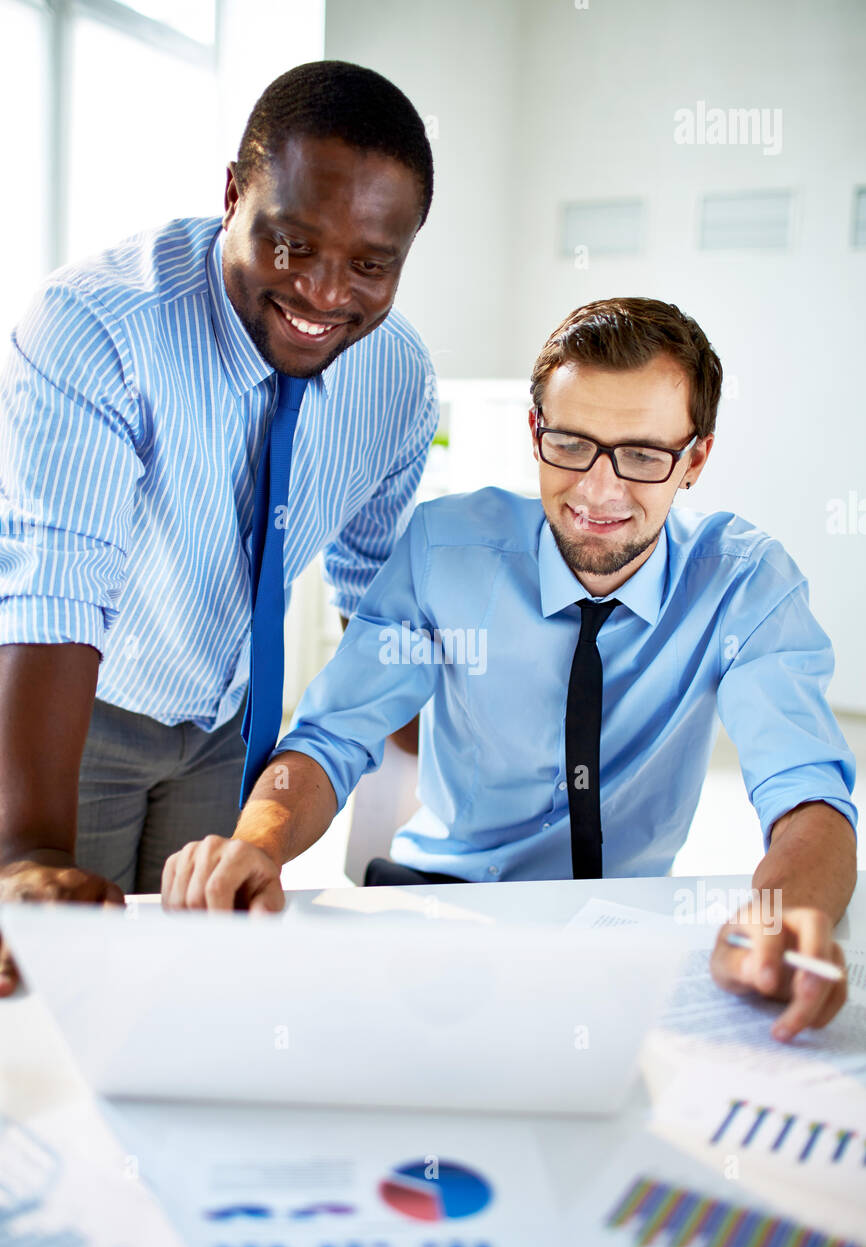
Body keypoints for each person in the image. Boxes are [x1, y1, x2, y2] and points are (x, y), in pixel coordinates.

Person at [162, 297, 858, 1042]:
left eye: (644, 456)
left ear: (695, 461)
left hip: (624, 928)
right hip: (446, 907)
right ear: (534, 433)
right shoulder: (445, 549)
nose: (598, 490)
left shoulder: (744, 582)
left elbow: (806, 795)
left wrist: (786, 915)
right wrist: (258, 845)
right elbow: (329, 737)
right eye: (571, 444)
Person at [0, 61, 436, 992]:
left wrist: (439, 775)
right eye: (291, 245)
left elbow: (379, 597)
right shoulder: (99, 324)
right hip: (81, 712)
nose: (324, 293)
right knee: (52, 973)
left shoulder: (398, 378)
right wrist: (22, 855)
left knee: (187, 988)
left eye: (370, 264)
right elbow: (54, 584)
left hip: (231, 726)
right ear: (233, 195)